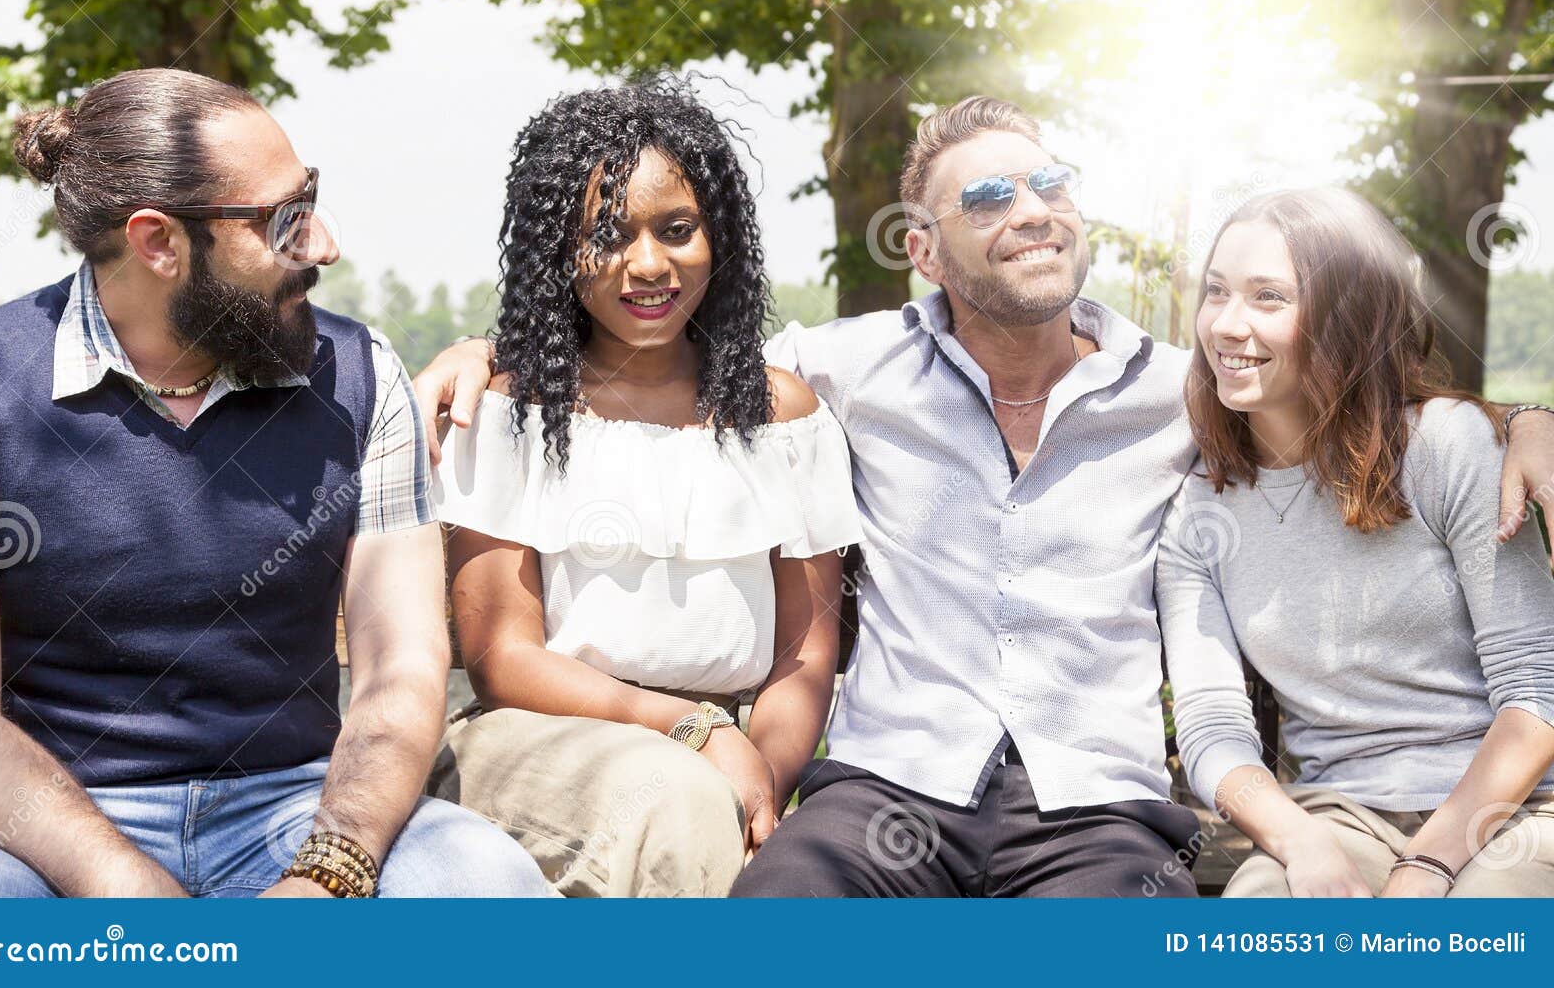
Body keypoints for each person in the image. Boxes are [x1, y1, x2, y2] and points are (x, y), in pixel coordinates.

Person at [412, 96, 1554, 897]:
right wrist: (484, 348)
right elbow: (653, 351)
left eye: (1049, 184)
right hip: (885, 788)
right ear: (922, 245)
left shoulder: (1184, 391)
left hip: (1097, 810)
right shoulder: (842, 372)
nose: (1033, 209)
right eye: (990, 195)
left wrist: (1524, 421)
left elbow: (1359, 403)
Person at [0, 68, 549, 898]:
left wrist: (329, 869)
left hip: (300, 804)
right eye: (283, 221)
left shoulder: (361, 375)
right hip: (38, 827)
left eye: (310, 199)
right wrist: (119, 880)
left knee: (481, 884)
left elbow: (399, 666)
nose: (324, 245)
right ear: (158, 241)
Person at [425, 77, 860, 896]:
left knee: (713, 820)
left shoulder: (782, 417)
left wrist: (757, 777)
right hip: (542, 740)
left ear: (719, 236)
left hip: (724, 754)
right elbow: (502, 657)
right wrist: (693, 732)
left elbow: (806, 652)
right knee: (684, 806)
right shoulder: (513, 409)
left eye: (678, 229)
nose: (649, 264)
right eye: (608, 235)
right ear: (559, 248)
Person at [1156, 187, 1554, 897]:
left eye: (1269, 297)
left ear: (1346, 319)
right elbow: (1212, 724)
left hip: (1510, 808)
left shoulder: (1445, 447)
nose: (1227, 322)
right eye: (1216, 292)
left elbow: (1538, 690)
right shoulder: (1196, 511)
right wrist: (1300, 840)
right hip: (1338, 814)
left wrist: (1429, 861)